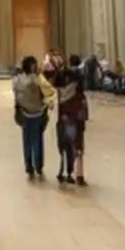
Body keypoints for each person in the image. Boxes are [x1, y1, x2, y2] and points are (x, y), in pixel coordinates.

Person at [12, 56, 55, 179]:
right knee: (37, 141)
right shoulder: (39, 80)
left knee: (26, 141)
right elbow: (49, 92)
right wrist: (48, 102)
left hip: (24, 113)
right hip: (38, 113)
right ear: (33, 66)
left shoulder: (17, 80)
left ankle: (28, 165)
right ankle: (38, 166)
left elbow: (16, 95)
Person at [51, 55, 88, 185]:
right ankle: (79, 174)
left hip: (64, 119)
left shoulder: (61, 93)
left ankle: (64, 171)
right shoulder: (79, 94)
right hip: (76, 120)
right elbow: (84, 111)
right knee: (78, 147)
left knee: (64, 146)